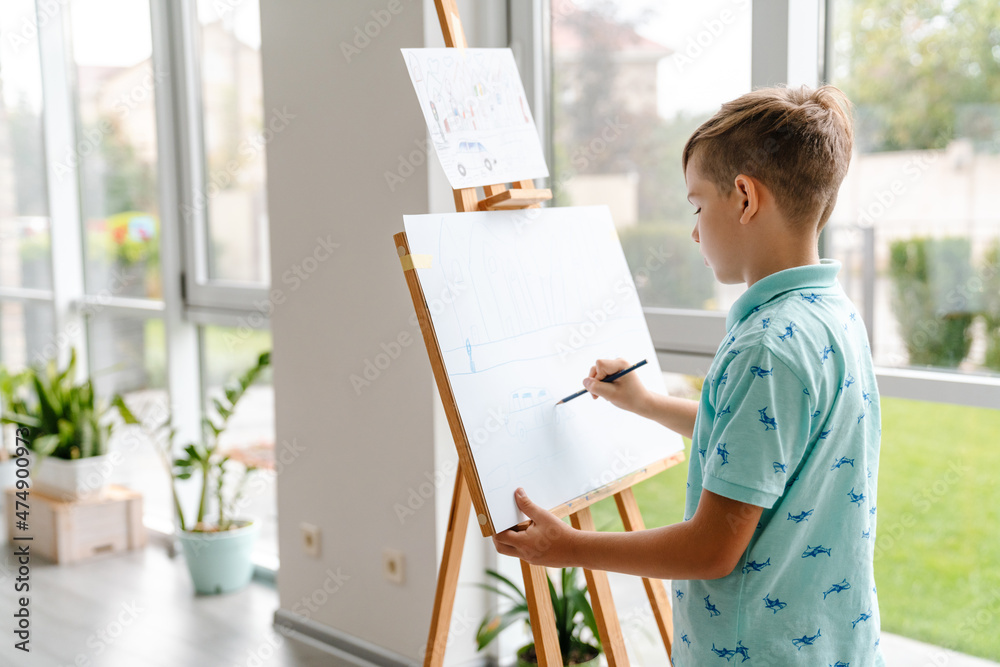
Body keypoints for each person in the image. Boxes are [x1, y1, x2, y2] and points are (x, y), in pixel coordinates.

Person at [493, 85, 883, 666]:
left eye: (698, 205)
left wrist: (569, 546)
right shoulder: (830, 315)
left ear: (746, 197)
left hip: (758, 652)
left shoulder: (767, 348)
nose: (695, 230)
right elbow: (766, 441)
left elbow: (712, 549)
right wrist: (647, 402)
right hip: (834, 643)